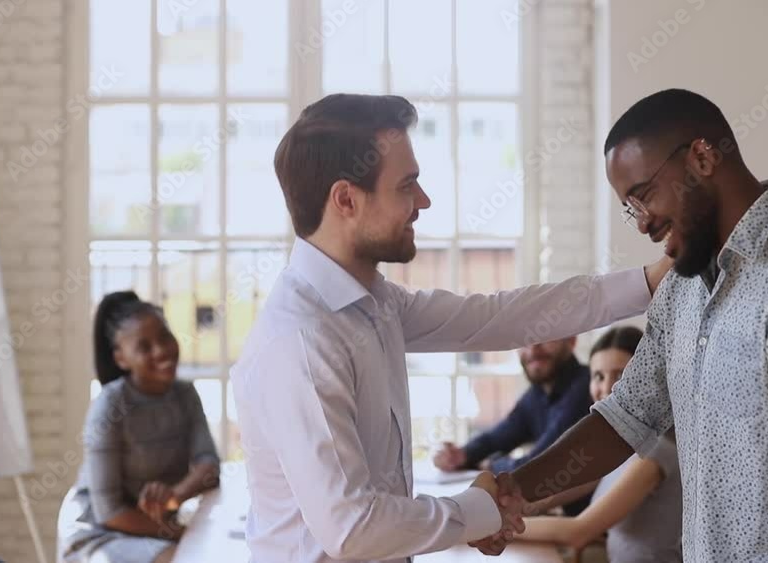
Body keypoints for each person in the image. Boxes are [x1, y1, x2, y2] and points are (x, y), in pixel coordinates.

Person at [228, 93, 673, 563]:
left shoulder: (375, 303)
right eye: (406, 186)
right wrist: (480, 511)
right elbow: (354, 528)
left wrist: (648, 282)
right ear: (346, 199)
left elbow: (499, 317)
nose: (423, 201)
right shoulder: (302, 339)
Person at [478, 88, 768, 562]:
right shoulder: (682, 289)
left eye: (643, 195)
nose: (642, 222)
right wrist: (511, 491)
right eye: (630, 207)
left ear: (702, 157)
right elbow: (624, 419)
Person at [58, 291, 221, 563]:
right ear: (121, 358)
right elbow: (110, 513)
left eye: (164, 337)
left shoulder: (185, 395)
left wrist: (174, 496)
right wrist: (178, 533)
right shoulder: (109, 406)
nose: (161, 350)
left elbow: (210, 466)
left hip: (154, 530)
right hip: (100, 533)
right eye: (144, 346)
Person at [514, 326, 682, 563]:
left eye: (620, 375)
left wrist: (489, 528)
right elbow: (551, 493)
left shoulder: (656, 451)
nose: (607, 388)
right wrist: (503, 509)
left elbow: (577, 532)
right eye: (598, 376)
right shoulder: (617, 448)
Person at [432, 336, 596, 516]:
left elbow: (537, 466)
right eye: (525, 341)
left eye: (547, 337)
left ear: (571, 341)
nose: (533, 350)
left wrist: (490, 465)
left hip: (596, 529)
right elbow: (497, 438)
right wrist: (460, 455)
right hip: (565, 519)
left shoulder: (585, 389)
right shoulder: (537, 395)